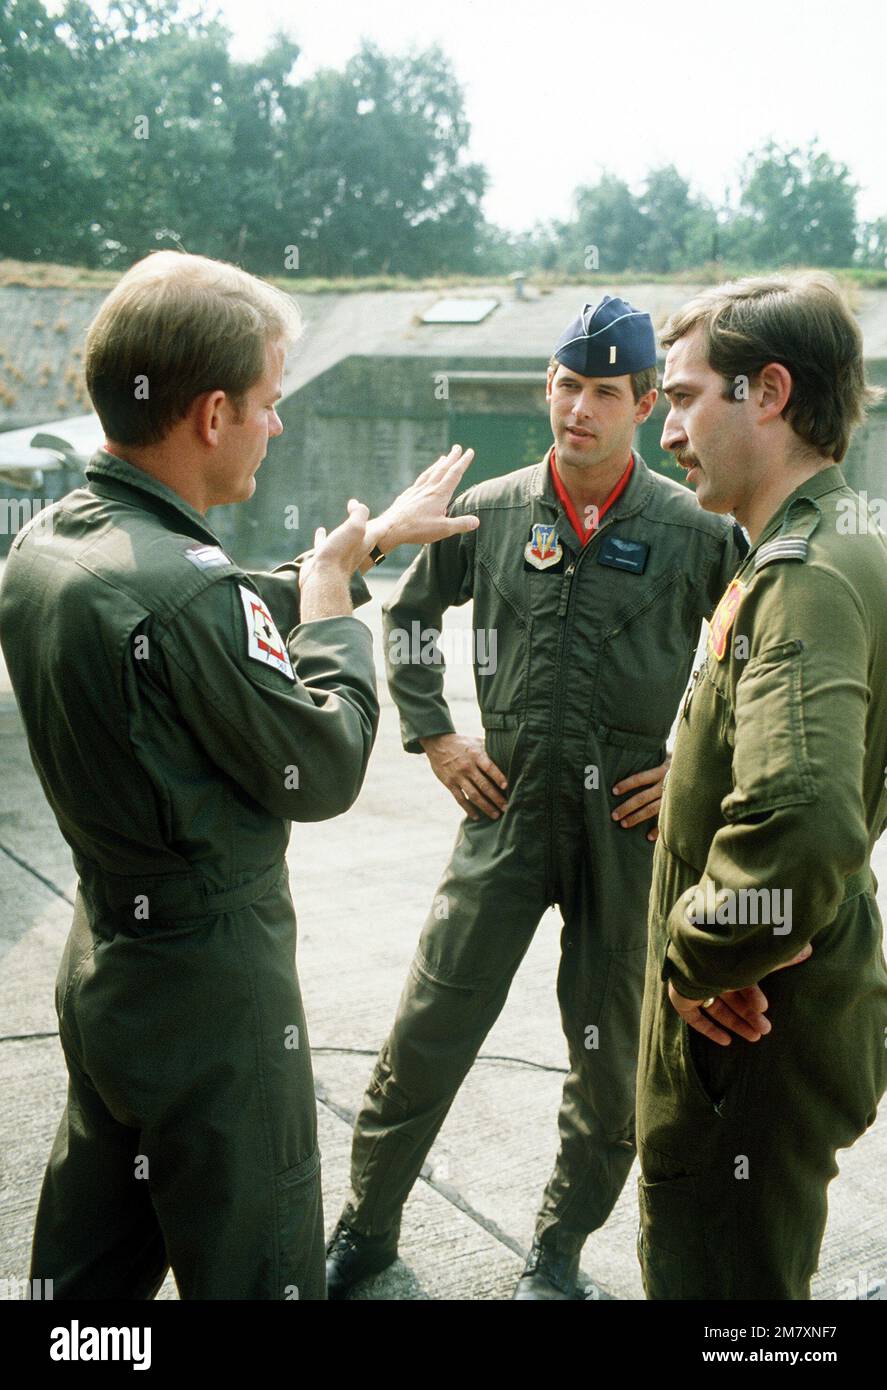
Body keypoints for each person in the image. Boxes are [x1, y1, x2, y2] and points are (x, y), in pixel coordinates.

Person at [0, 249, 479, 1300]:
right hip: (212, 993)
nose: (277, 423)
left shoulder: (48, 545)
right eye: (265, 404)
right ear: (211, 414)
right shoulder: (186, 594)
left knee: (88, 1277)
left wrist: (355, 551)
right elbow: (323, 764)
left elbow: (180, 611)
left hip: (109, 968)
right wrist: (331, 610)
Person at [325, 295, 745, 1300]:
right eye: (566, 385)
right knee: (428, 1026)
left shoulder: (693, 529)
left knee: (608, 1066)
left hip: (625, 834)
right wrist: (433, 734)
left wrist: (694, 763)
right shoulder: (495, 508)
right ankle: (365, 1227)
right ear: (545, 389)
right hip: (505, 815)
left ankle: (553, 1252)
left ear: (645, 403)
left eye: (605, 391)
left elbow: (752, 660)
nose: (579, 409)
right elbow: (412, 617)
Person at [635, 271, 887, 1301]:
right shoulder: (837, 542)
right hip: (778, 1000)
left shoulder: (803, 576)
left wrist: (700, 953)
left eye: (685, 397)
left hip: (747, 1033)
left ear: (767, 393)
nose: (666, 432)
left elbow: (800, 817)